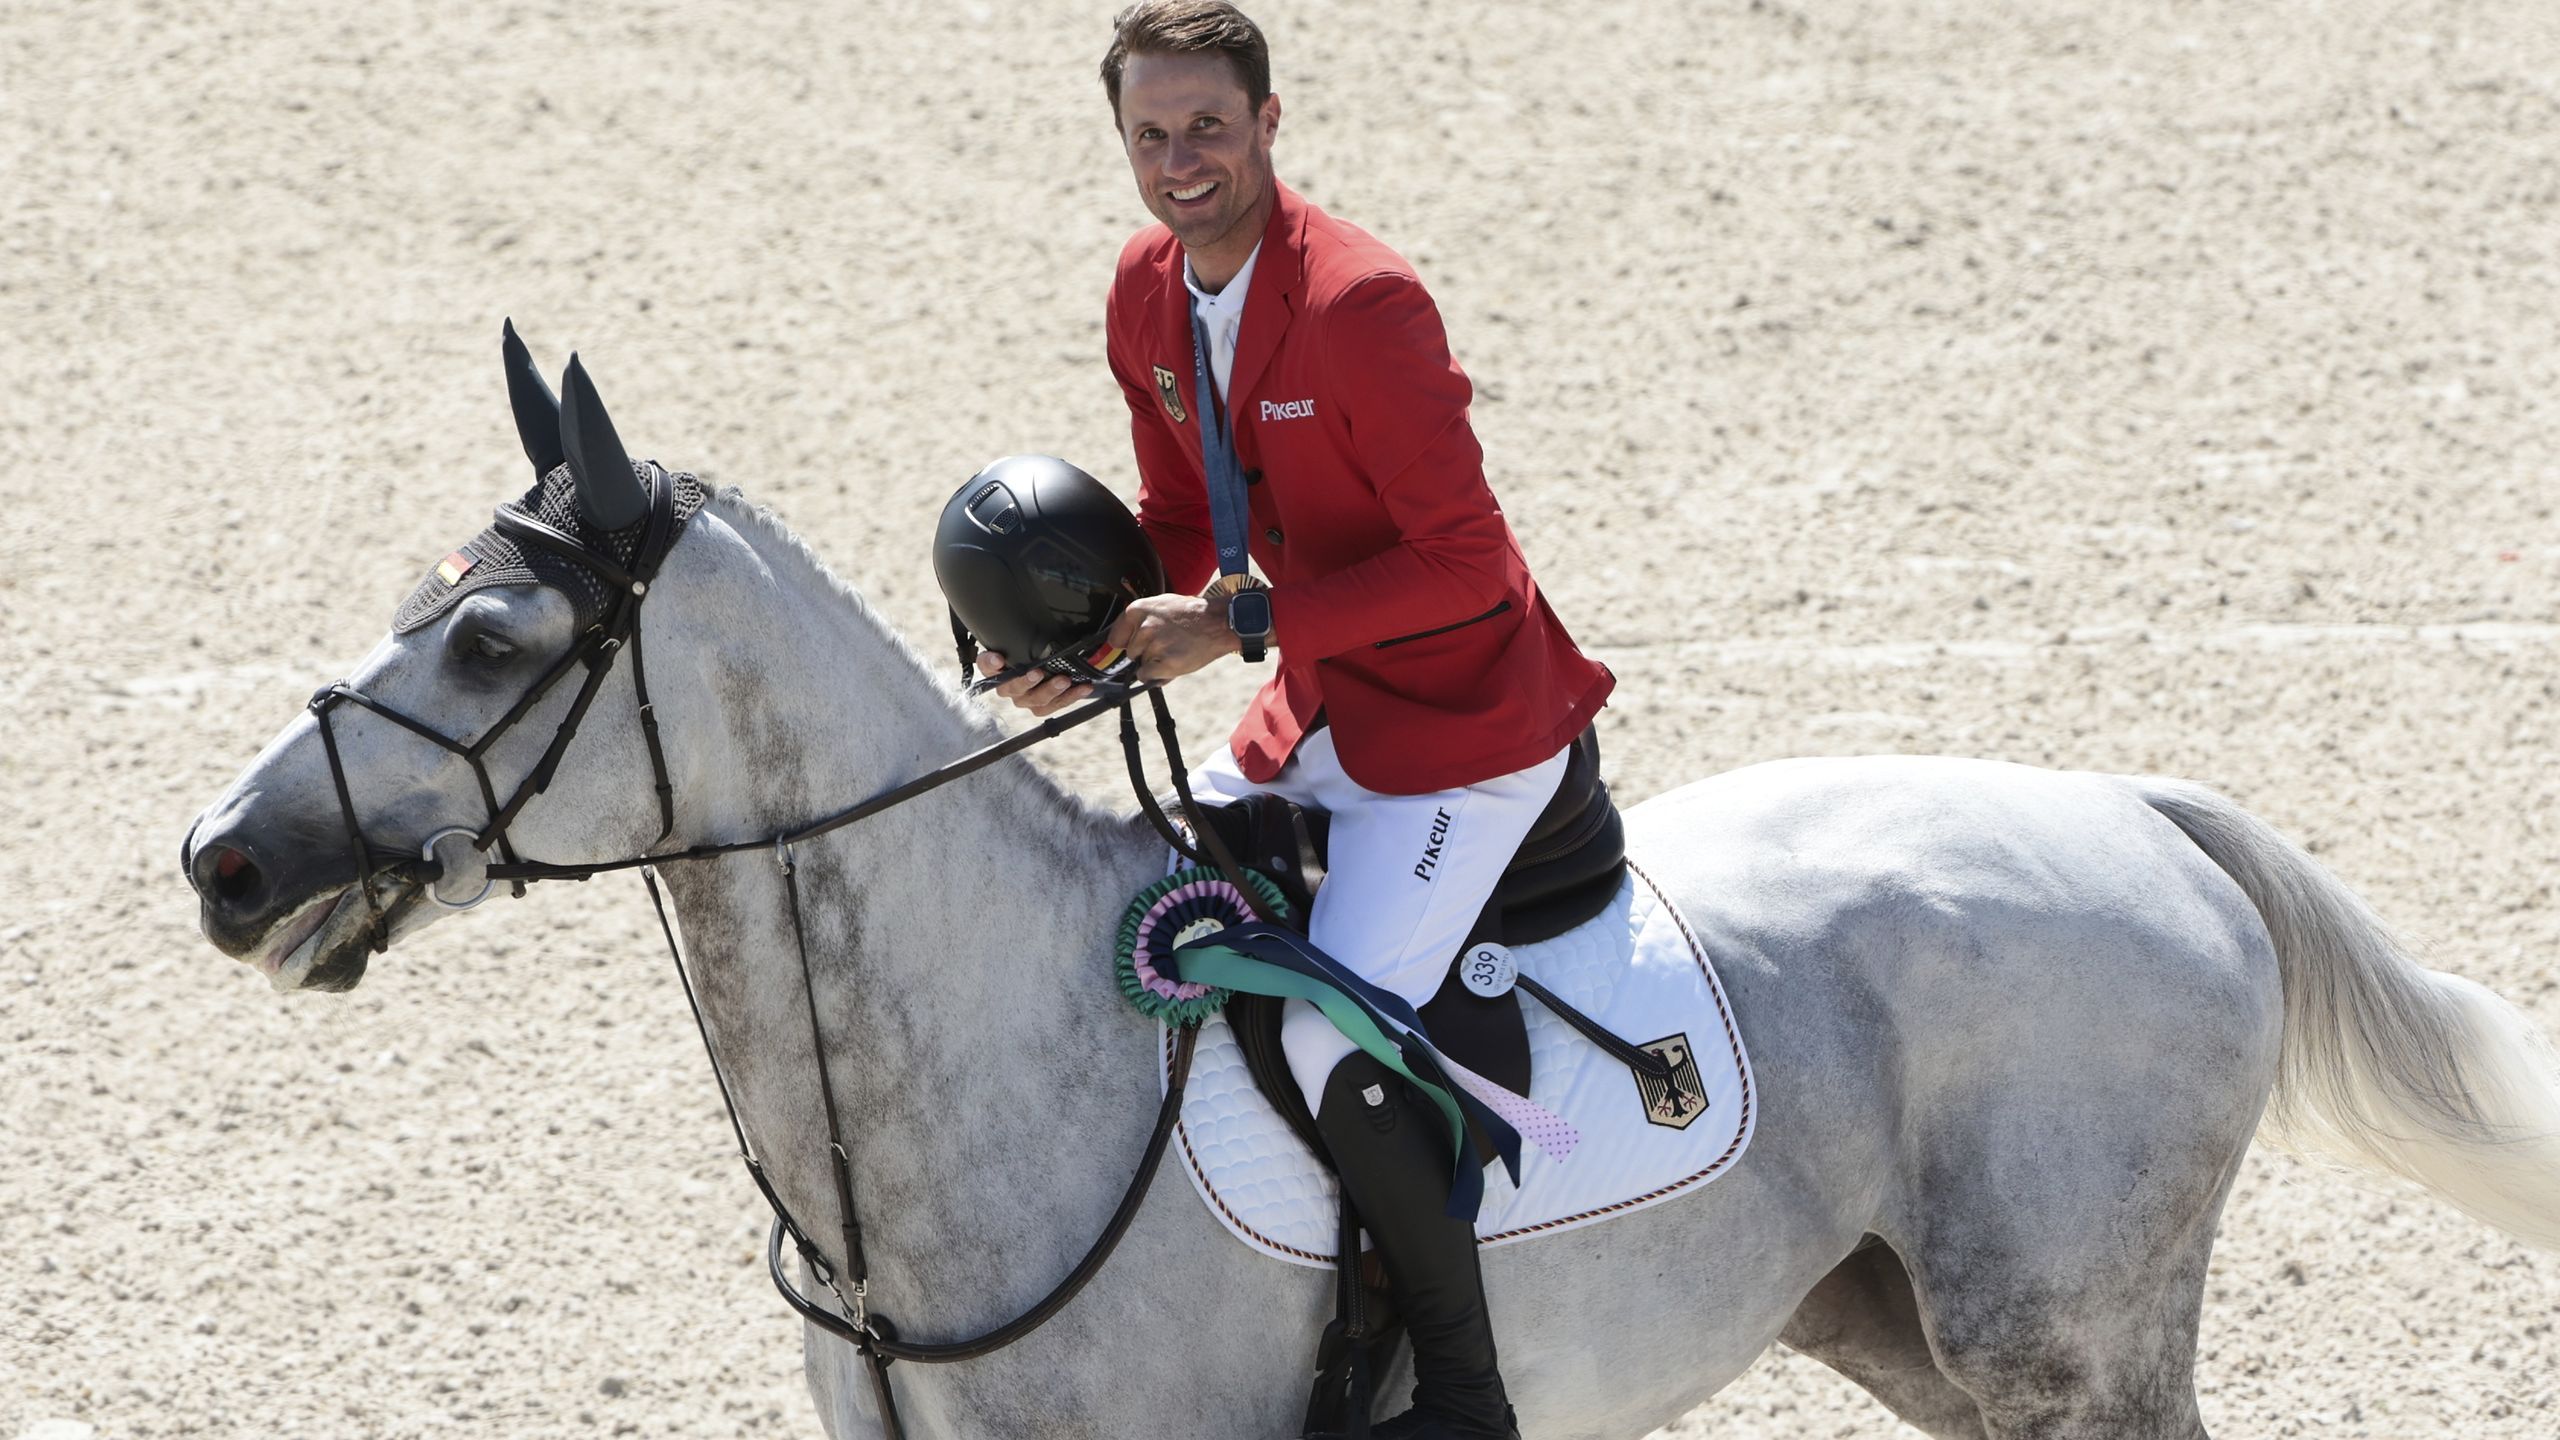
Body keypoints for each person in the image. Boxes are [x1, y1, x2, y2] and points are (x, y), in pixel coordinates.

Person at [977, 4, 1612, 1436]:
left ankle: (1463, 1392)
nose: (1179, 161)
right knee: (1141, 923)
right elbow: (1180, 518)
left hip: (1459, 746)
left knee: (1333, 1039)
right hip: (1314, 713)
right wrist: (1076, 643)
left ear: (1269, 121)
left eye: (1208, 126)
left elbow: (1468, 564)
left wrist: (1237, 627)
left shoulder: (1362, 307)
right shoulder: (1147, 287)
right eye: (1149, 134)